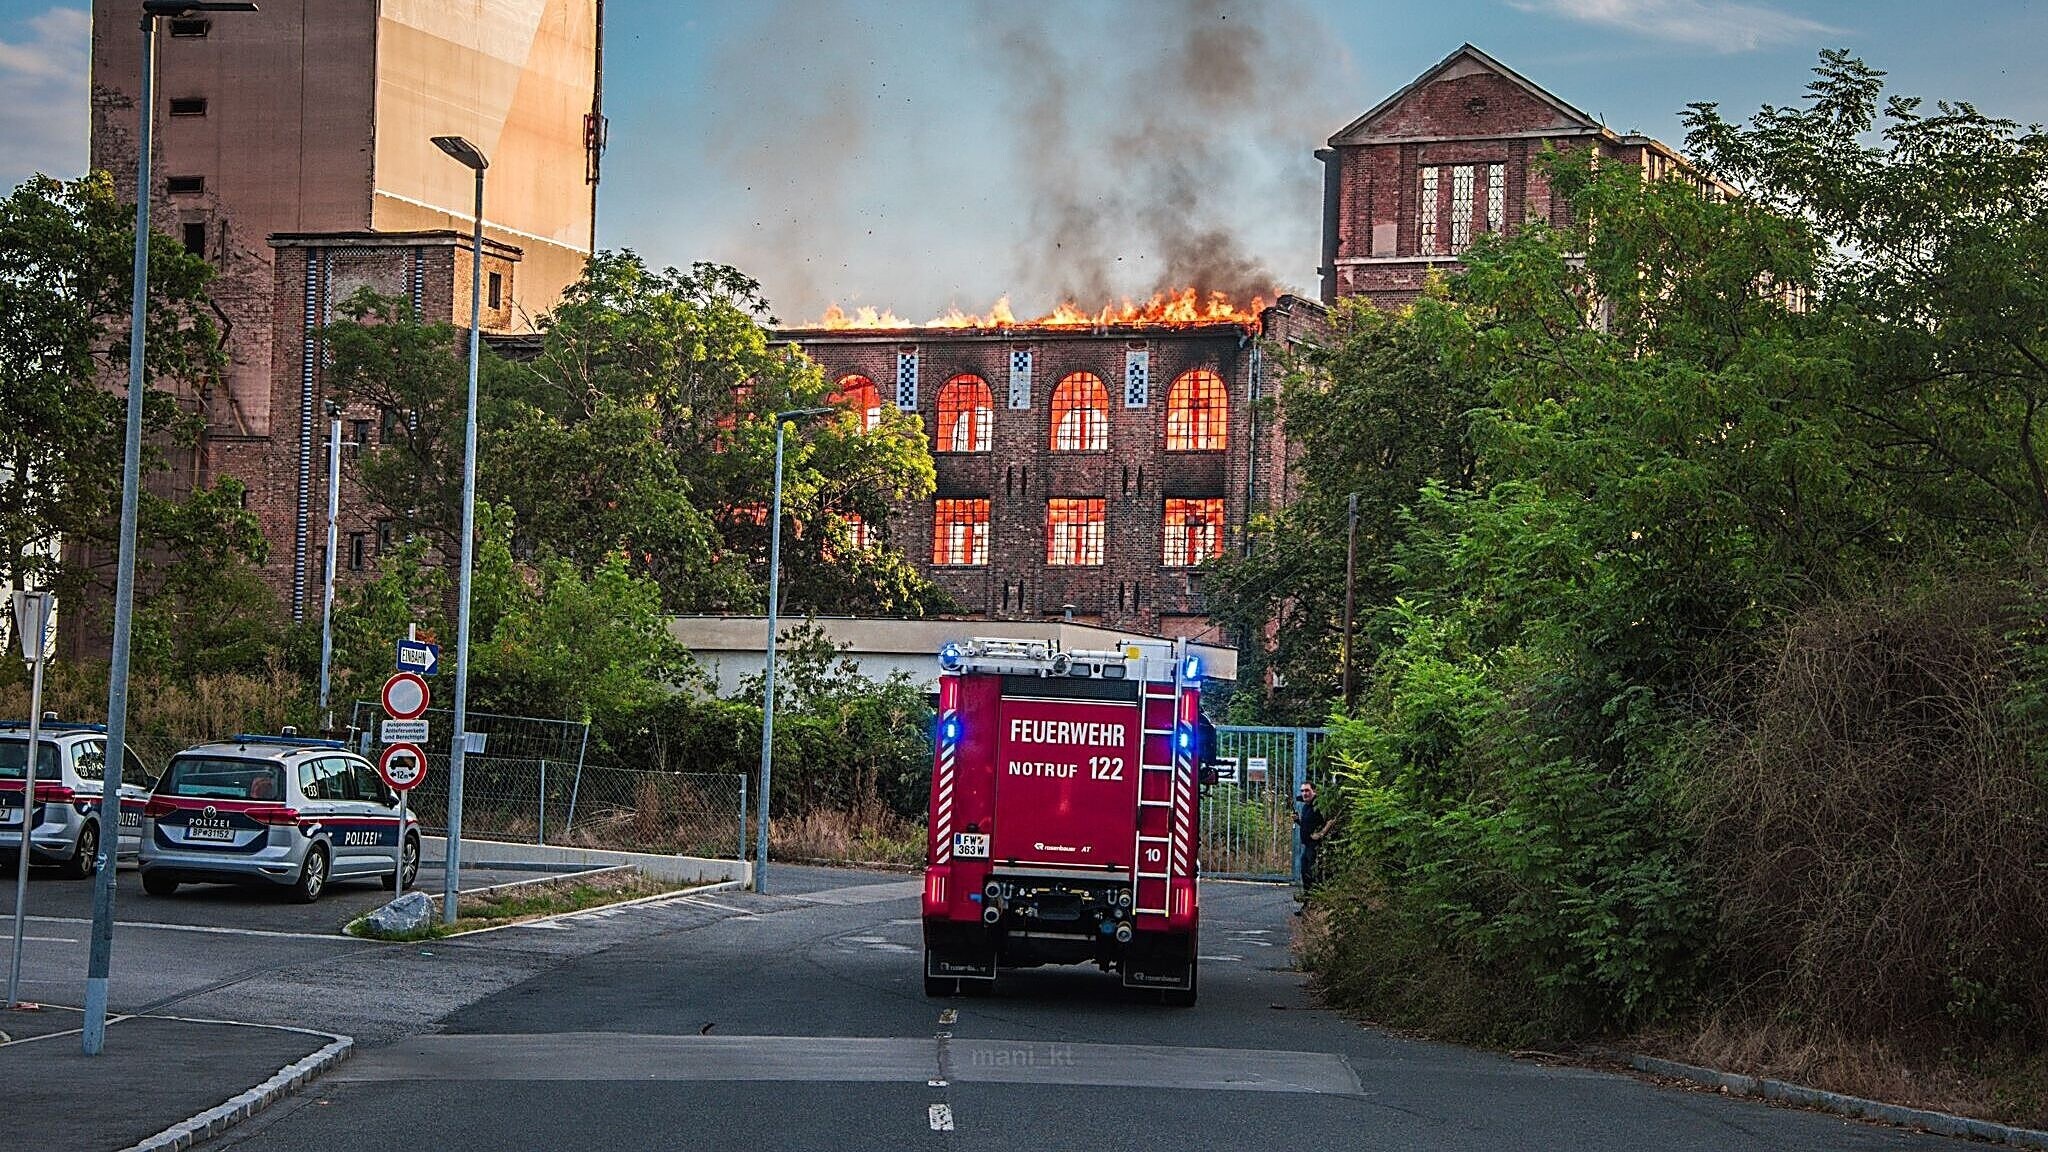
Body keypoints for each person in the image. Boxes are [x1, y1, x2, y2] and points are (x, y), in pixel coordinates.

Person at [1295, 781, 1326, 912]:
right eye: (1302, 791)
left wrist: (1321, 833)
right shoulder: (1306, 806)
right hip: (1307, 845)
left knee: (1313, 876)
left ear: (1314, 791)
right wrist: (1298, 821)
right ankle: (1308, 906)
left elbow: (1331, 819)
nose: (1304, 793)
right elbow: (1307, 825)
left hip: (1315, 846)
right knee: (1305, 875)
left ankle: (1315, 906)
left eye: (1307, 790)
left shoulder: (1318, 805)